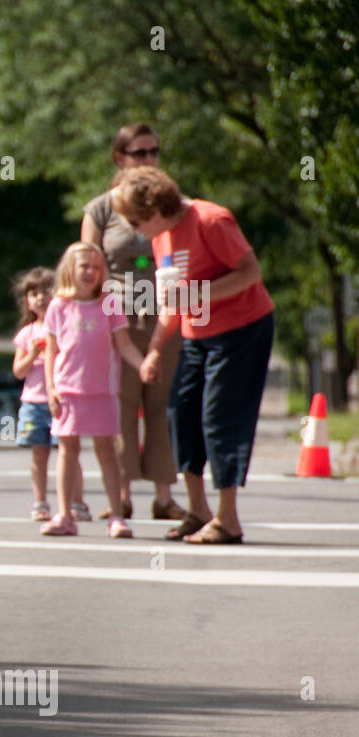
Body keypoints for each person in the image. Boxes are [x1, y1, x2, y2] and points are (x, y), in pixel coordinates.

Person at [117, 167, 276, 545]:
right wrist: (154, 351)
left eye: (136, 219)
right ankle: (198, 510)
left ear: (155, 206)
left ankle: (229, 519)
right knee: (180, 412)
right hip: (196, 335)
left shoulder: (211, 220)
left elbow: (250, 272)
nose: (134, 227)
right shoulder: (160, 239)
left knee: (219, 417)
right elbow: (173, 303)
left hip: (242, 329)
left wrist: (196, 296)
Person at [81, 123, 185, 523]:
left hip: (165, 316)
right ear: (120, 158)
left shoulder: (174, 204)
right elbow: (88, 265)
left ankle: (164, 496)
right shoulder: (101, 208)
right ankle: (119, 495)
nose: (148, 160)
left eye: (154, 152)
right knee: (119, 407)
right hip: (118, 317)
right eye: (139, 153)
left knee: (162, 405)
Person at [42, 242, 147, 538]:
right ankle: (65, 514)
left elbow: (124, 344)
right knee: (67, 451)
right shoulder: (58, 306)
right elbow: (50, 351)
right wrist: (50, 388)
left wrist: (143, 365)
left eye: (96, 267)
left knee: (107, 452)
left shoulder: (110, 303)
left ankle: (117, 515)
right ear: (70, 270)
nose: (90, 272)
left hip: (102, 391)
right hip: (67, 391)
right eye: (84, 266)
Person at [11, 266, 88, 522]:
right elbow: (18, 372)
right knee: (39, 454)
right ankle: (40, 502)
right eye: (34, 294)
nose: (41, 298)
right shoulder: (27, 334)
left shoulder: (67, 327)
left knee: (69, 453)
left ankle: (77, 502)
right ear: (27, 301)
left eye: (46, 292)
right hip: (34, 402)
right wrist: (33, 354)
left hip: (62, 399)